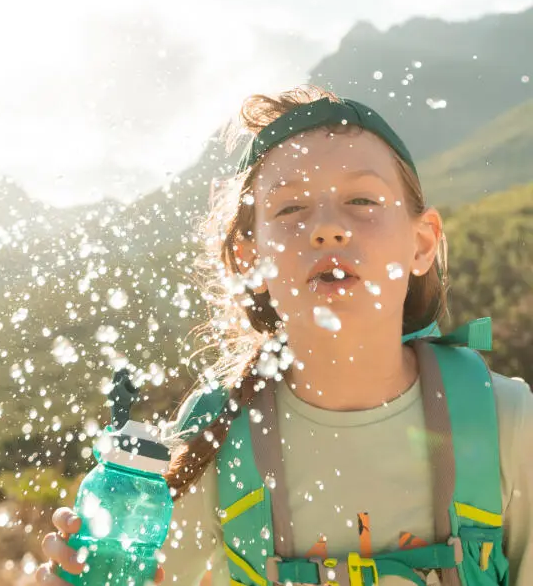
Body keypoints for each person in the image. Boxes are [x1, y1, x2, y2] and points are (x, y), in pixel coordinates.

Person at [36, 86, 532, 585]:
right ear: (250, 260)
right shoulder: (218, 438)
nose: (328, 229)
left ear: (421, 243)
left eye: (362, 199)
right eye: (291, 209)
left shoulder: (508, 424)